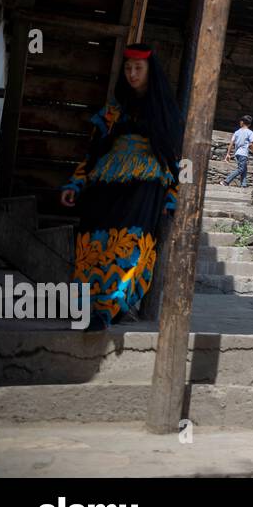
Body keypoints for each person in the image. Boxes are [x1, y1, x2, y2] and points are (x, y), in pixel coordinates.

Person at [59, 44, 183, 330]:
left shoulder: (167, 113)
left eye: (138, 68)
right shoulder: (112, 112)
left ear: (151, 73)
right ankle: (86, 307)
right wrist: (75, 183)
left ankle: (109, 307)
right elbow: (92, 153)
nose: (132, 74)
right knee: (94, 243)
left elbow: (180, 159)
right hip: (105, 183)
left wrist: (175, 197)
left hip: (147, 185)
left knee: (130, 244)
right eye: (128, 68)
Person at [223, 115, 253, 187]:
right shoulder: (250, 132)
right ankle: (226, 181)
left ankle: (243, 184)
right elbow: (252, 144)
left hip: (237, 153)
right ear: (249, 124)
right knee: (241, 169)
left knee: (244, 169)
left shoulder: (237, 132)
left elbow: (231, 143)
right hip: (243, 153)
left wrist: (228, 154)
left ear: (242, 122)